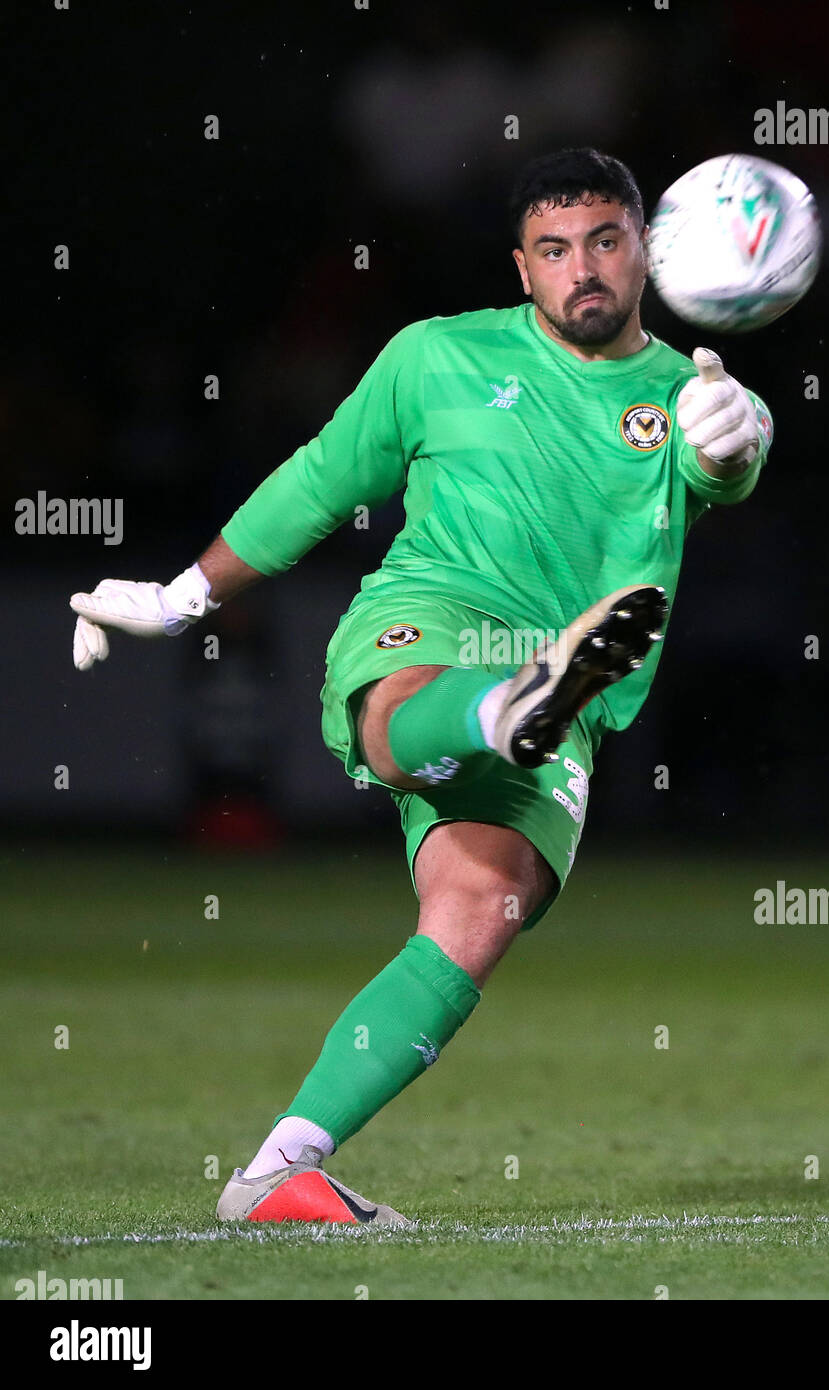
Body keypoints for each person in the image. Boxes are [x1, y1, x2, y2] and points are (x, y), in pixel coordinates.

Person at [70, 147, 773, 1226]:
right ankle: (498, 707)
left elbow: (723, 466)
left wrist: (735, 441)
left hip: (566, 688)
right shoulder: (435, 356)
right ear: (520, 267)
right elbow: (320, 481)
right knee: (404, 715)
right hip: (434, 617)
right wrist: (178, 600)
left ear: (646, 251)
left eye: (603, 241)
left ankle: (274, 1174)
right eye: (552, 250)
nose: (581, 268)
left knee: (477, 911)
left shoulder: (690, 395)